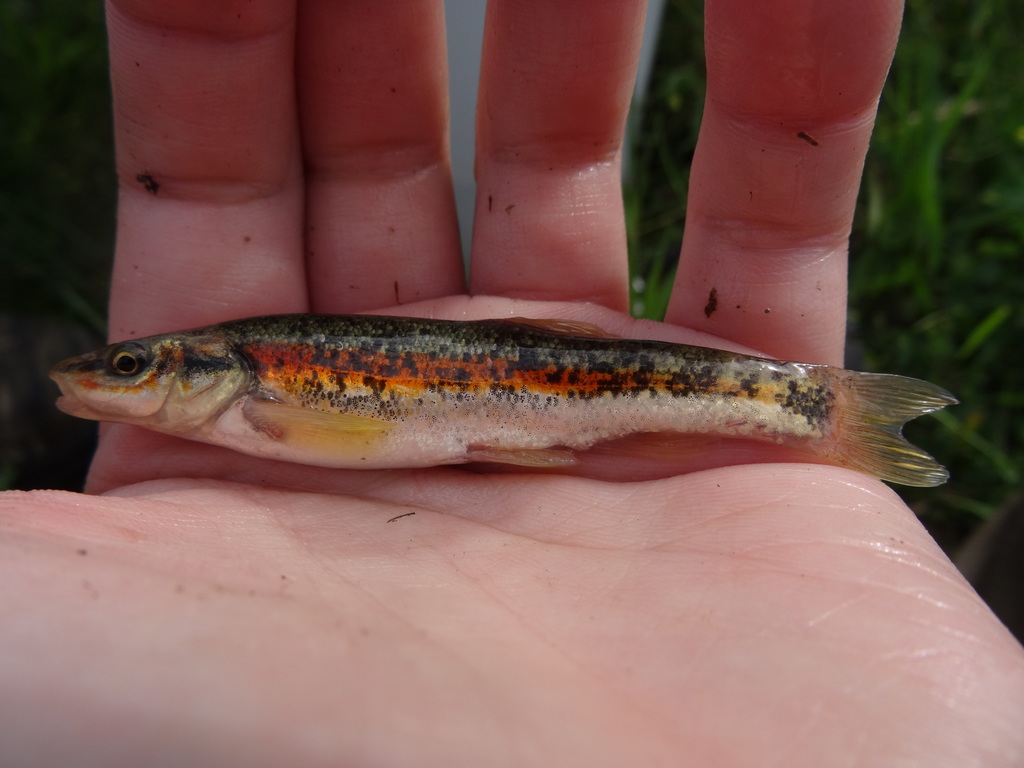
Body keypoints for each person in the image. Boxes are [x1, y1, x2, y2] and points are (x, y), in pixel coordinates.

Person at [2, 1, 1022, 765]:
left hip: (549, 386)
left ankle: (812, 407)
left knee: (720, 390)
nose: (103, 378)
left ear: (205, 371)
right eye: (119, 369)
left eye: (129, 368)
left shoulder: (259, 393)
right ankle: (812, 407)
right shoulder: (245, 406)